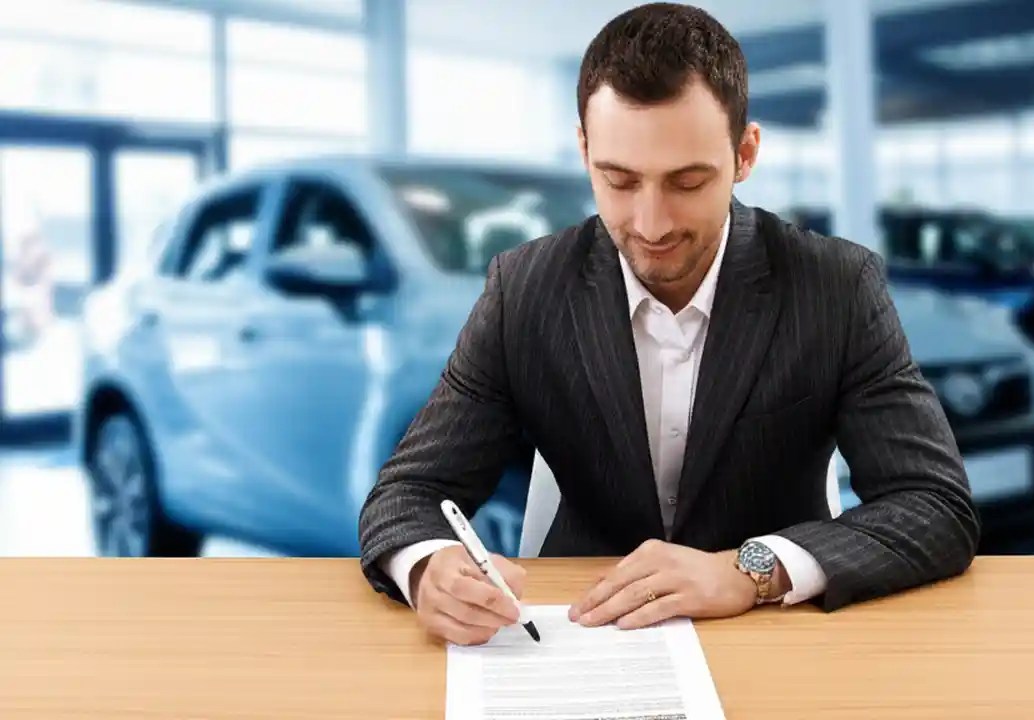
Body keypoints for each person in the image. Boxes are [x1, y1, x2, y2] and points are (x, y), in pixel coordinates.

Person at [358, 2, 979, 647]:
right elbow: (409, 491)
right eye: (619, 180)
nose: (651, 224)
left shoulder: (836, 287)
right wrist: (427, 566)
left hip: (776, 633)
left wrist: (749, 572)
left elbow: (935, 506)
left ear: (745, 154)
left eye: (687, 182)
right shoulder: (525, 290)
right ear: (584, 151)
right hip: (581, 633)